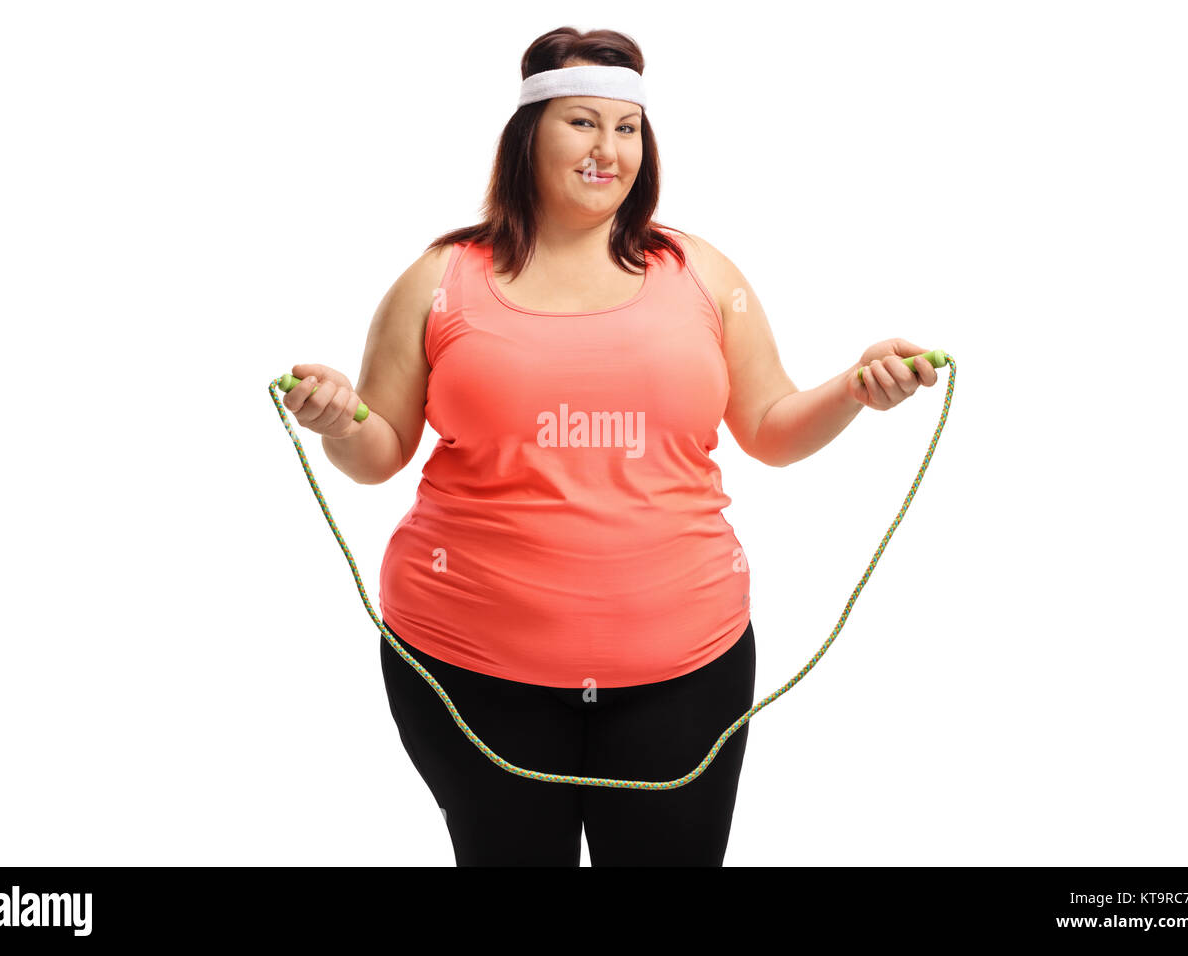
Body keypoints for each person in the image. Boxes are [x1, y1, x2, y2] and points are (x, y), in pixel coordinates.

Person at [281, 27, 938, 866]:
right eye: (582, 123)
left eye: (627, 128)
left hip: (686, 669)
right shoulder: (440, 278)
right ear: (529, 137)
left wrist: (853, 387)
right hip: (469, 668)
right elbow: (380, 454)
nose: (608, 150)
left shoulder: (701, 273)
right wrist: (341, 419)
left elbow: (770, 429)